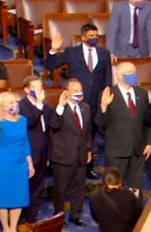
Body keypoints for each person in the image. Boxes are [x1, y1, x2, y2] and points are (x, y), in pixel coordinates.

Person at [45, 24, 113, 177]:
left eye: (96, 35)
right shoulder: (72, 52)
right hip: (76, 101)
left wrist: (106, 93)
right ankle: (70, 167)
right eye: (90, 36)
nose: (94, 38)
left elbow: (108, 75)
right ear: (83, 37)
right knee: (76, 134)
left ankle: (88, 168)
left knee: (91, 136)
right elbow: (50, 65)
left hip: (96, 101)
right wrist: (54, 50)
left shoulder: (104, 53)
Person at [99, 61, 151, 191]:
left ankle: (137, 210)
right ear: (119, 75)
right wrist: (104, 106)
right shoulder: (109, 94)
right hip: (117, 149)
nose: (133, 75)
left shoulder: (142, 93)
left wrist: (150, 142)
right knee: (114, 187)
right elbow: (101, 123)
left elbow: (148, 120)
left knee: (137, 185)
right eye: (129, 73)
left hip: (138, 147)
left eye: (134, 72)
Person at [47, 79, 94, 226]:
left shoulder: (86, 108)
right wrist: (61, 105)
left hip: (80, 154)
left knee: (79, 187)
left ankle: (76, 214)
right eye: (75, 90)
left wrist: (89, 149)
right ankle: (59, 214)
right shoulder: (58, 109)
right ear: (66, 92)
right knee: (61, 188)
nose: (79, 93)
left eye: (80, 90)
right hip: (63, 155)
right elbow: (54, 124)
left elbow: (87, 132)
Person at [0, 90, 33, 232]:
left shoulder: (22, 120)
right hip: (5, 163)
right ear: (2, 106)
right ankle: (6, 229)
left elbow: (25, 141)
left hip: (21, 162)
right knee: (5, 196)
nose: (14, 105)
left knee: (18, 195)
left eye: (15, 102)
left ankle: (14, 228)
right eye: (10, 103)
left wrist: (30, 162)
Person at [17, 76, 51, 232]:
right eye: (35, 87)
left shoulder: (46, 106)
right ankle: (21, 220)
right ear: (26, 89)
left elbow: (49, 130)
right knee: (25, 187)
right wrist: (38, 106)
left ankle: (32, 218)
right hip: (28, 152)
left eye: (41, 87)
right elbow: (29, 122)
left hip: (43, 151)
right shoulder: (21, 106)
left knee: (38, 187)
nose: (39, 90)